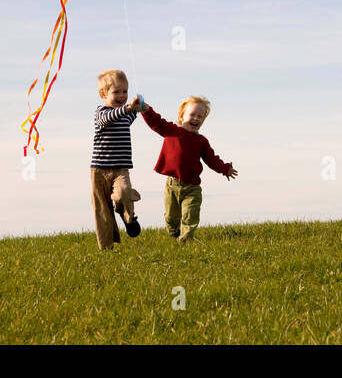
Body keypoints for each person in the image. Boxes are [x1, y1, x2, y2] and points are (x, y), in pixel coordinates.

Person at [140, 96, 237, 241]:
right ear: (181, 116)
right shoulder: (172, 130)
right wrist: (146, 110)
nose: (196, 119)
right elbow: (157, 123)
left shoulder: (201, 141)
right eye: (192, 115)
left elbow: (212, 159)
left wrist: (225, 169)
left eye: (200, 116)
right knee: (171, 216)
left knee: (190, 214)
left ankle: (186, 240)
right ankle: (174, 232)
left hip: (192, 187)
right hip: (172, 185)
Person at [90, 69, 144, 249]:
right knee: (102, 209)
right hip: (99, 169)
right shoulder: (101, 113)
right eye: (116, 92)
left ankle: (129, 219)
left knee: (124, 193)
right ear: (103, 94)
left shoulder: (124, 114)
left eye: (125, 92)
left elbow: (130, 115)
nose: (122, 96)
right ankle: (106, 248)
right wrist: (128, 108)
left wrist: (138, 107)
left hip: (120, 168)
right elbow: (109, 118)